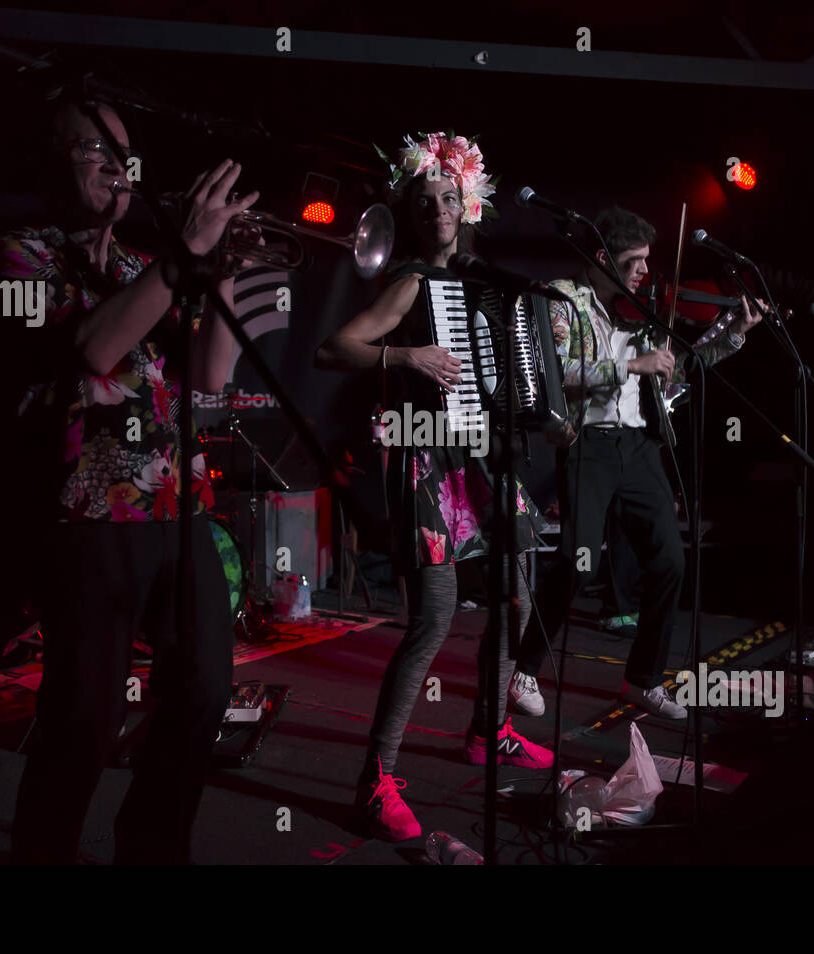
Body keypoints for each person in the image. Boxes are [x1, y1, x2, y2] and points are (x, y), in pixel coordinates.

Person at [0, 95, 253, 863]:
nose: (115, 164)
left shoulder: (144, 266)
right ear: (52, 162)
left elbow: (208, 374)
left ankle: (151, 847)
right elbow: (95, 348)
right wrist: (184, 262)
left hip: (178, 507)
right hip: (88, 514)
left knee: (204, 691)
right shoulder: (20, 256)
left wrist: (224, 272)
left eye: (123, 152)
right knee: (86, 719)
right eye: (92, 149)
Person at [315, 132, 553, 842]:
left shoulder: (485, 282)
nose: (439, 210)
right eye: (426, 204)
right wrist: (406, 354)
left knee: (520, 590)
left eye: (449, 199)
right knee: (433, 620)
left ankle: (489, 729)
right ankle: (376, 779)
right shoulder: (413, 282)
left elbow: (505, 376)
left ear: (468, 204)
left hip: (481, 457)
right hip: (426, 462)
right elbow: (334, 349)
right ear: (414, 216)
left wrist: (544, 412)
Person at [507, 207, 763, 719]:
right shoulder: (562, 299)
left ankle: (643, 680)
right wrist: (631, 363)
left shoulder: (644, 311)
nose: (645, 273)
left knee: (672, 560)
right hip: (590, 445)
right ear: (602, 259)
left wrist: (732, 332)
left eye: (647, 261)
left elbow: (677, 369)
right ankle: (525, 669)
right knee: (579, 561)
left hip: (641, 445)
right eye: (634, 263)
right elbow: (556, 368)